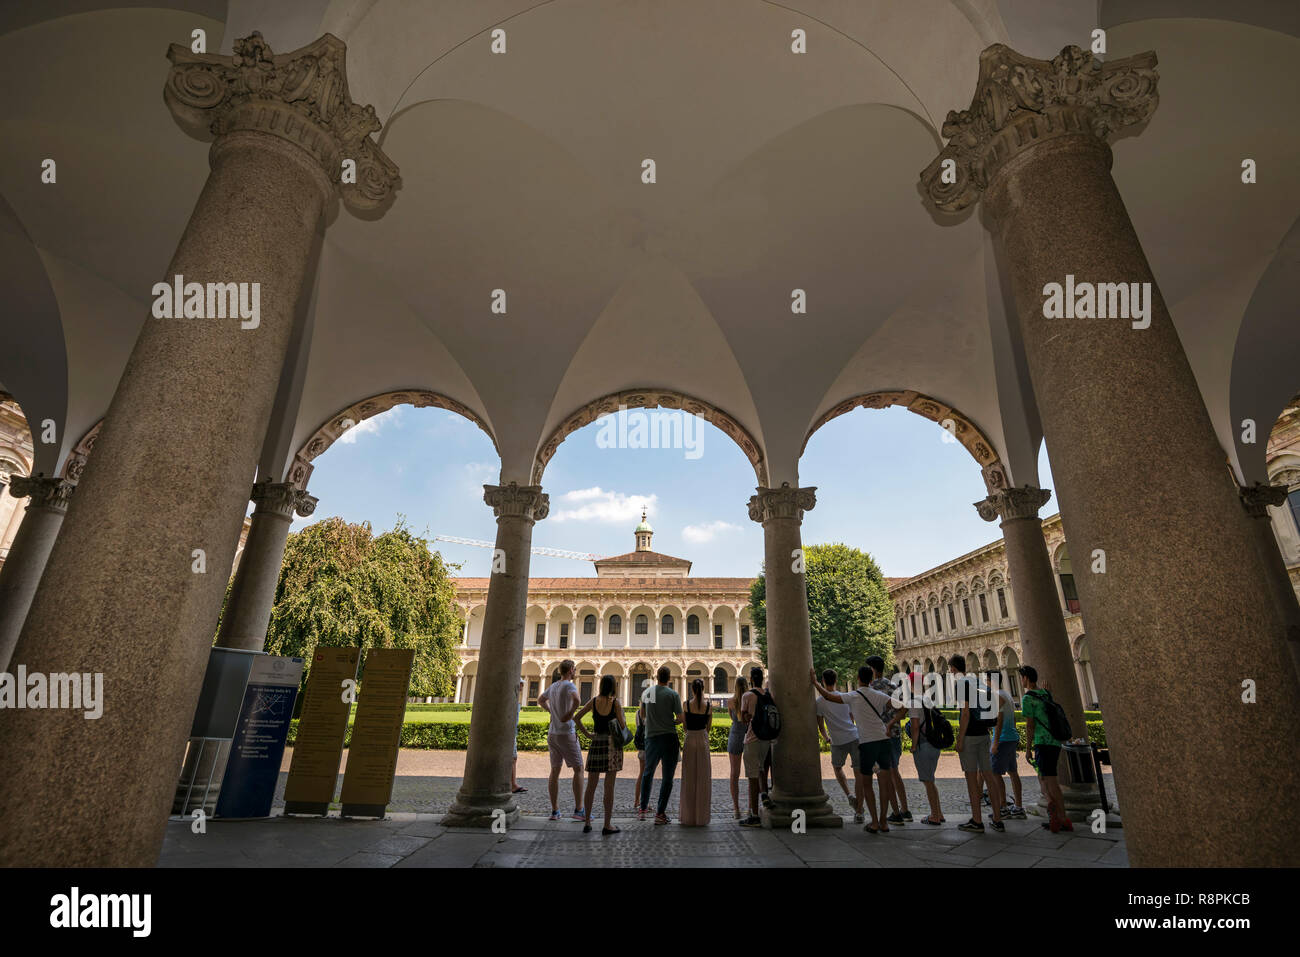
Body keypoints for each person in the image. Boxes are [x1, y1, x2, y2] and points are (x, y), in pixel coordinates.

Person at [810, 665, 898, 833]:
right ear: (871, 679)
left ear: (858, 678)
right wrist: (891, 724)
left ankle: (868, 816)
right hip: (871, 738)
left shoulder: (851, 696)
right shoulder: (877, 695)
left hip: (859, 742)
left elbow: (826, 699)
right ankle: (879, 820)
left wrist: (814, 683)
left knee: (860, 780)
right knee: (880, 781)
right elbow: (902, 706)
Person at [950, 654, 1003, 833]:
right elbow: (997, 701)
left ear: (954, 669)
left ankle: (977, 820)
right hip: (984, 733)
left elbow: (965, 714)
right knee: (989, 777)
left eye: (951, 670)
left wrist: (960, 739)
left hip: (971, 736)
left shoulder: (961, 684)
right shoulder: (978, 682)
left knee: (971, 779)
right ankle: (997, 818)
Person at [1018, 665, 1073, 833]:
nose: (1021, 681)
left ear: (1026, 678)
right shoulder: (1046, 694)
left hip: (1042, 742)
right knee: (1047, 778)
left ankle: (1060, 817)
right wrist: (1048, 691)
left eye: (1022, 677)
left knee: (1049, 781)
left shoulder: (1028, 698)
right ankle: (1058, 815)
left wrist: (1028, 749)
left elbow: (1030, 725)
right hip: (1055, 742)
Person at [573, 674, 625, 835]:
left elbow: (577, 717)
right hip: (611, 745)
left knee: (591, 786)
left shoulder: (594, 701)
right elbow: (622, 725)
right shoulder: (615, 703)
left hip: (596, 743)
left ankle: (587, 822)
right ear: (613, 687)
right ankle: (607, 825)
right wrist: (619, 713)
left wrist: (588, 734)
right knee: (609, 787)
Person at [814, 668, 865, 824]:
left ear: (823, 681)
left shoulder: (820, 702)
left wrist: (825, 737)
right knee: (859, 774)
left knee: (837, 768)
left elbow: (820, 724)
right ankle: (859, 811)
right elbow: (852, 718)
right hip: (853, 736)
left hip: (837, 740)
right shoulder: (845, 697)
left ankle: (849, 795)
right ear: (836, 681)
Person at [537, 660, 585, 822]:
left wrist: (551, 712)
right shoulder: (569, 685)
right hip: (566, 733)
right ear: (571, 670)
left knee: (555, 771)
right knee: (578, 769)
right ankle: (579, 810)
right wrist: (569, 713)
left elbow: (540, 700)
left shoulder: (554, 686)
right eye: (575, 669)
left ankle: (555, 811)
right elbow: (577, 700)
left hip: (553, 734)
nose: (575, 671)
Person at [867, 656, 912, 825]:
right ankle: (905, 809)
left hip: (880, 736)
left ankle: (896, 813)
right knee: (895, 772)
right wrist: (893, 723)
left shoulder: (871, 689)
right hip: (894, 734)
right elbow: (904, 708)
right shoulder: (893, 685)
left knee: (886, 774)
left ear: (872, 669)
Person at [638, 665, 683, 824]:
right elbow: (680, 717)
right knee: (667, 777)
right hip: (669, 737)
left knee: (648, 773)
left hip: (651, 737)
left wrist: (652, 721)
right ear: (669, 678)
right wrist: (671, 721)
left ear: (656, 677)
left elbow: (642, 715)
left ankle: (643, 808)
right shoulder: (673, 694)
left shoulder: (648, 693)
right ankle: (660, 813)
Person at [904, 671, 945, 825]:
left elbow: (915, 727)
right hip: (935, 744)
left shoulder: (914, 701)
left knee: (928, 781)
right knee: (931, 781)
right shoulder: (928, 699)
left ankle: (934, 815)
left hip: (924, 745)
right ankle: (939, 813)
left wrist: (914, 746)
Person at [738, 666, 773, 827]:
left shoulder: (747, 695)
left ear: (751, 679)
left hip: (752, 738)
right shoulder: (768, 694)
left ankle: (754, 815)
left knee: (752, 778)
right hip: (766, 738)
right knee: (760, 769)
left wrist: (748, 716)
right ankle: (764, 794)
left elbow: (744, 718)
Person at [679, 678, 712, 826]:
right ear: (703, 689)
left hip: (690, 738)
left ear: (692, 689)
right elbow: (708, 728)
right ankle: (701, 817)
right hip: (703, 739)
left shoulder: (686, 704)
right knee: (703, 778)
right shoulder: (708, 706)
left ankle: (688, 816)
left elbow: (685, 727)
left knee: (689, 778)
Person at [991, 676, 1025, 819]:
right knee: (1013, 772)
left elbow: (999, 720)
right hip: (1012, 736)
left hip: (1003, 738)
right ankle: (1018, 806)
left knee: (995, 773)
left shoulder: (997, 696)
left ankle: (1003, 807)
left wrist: (995, 742)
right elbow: (1014, 718)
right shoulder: (1008, 695)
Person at [726, 676, 749, 819]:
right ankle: (752, 807)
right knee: (752, 773)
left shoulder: (730, 702)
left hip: (735, 735)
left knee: (734, 774)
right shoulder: (750, 700)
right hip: (748, 735)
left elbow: (732, 718)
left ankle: (736, 809)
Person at [633, 678, 651, 812]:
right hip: (649, 745)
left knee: (641, 773)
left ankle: (637, 801)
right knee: (647, 775)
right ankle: (644, 803)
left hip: (640, 746)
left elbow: (638, 727)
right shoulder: (650, 714)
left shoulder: (638, 713)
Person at [510, 677, 527, 794]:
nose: (523, 686)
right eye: (521, 684)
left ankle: (512, 783)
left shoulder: (513, 698)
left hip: (511, 732)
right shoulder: (512, 699)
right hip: (510, 734)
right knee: (513, 758)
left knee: (513, 759)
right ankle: (512, 784)